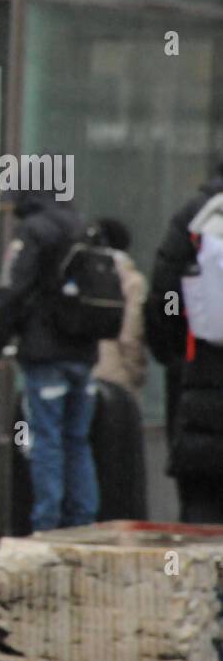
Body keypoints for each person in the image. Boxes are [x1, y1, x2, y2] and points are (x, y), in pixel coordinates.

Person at [0, 193, 101, 532]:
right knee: (77, 438)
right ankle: (82, 521)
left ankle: (47, 526)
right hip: (83, 351)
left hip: (45, 352)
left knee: (46, 439)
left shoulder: (33, 229)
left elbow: (14, 289)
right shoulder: (84, 224)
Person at [144, 159, 223, 524]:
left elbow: (165, 297)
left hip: (201, 388)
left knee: (202, 523)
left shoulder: (196, 217)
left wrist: (179, 356)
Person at [92, 218, 148, 393]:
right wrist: (137, 372)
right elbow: (130, 335)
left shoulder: (81, 277)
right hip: (117, 375)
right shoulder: (132, 282)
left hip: (83, 374)